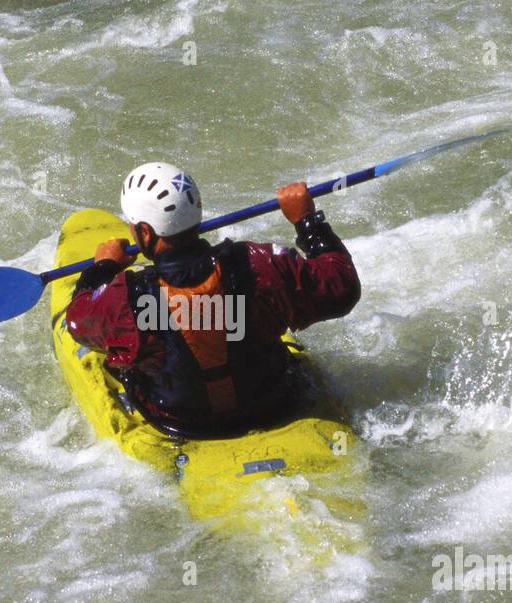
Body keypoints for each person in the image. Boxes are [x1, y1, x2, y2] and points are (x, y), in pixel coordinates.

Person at [64, 161, 360, 436]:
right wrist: (307, 221)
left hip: (177, 418)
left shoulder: (127, 296)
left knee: (124, 363)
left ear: (144, 231)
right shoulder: (260, 263)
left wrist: (102, 268)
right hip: (271, 402)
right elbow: (341, 288)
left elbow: (79, 321)